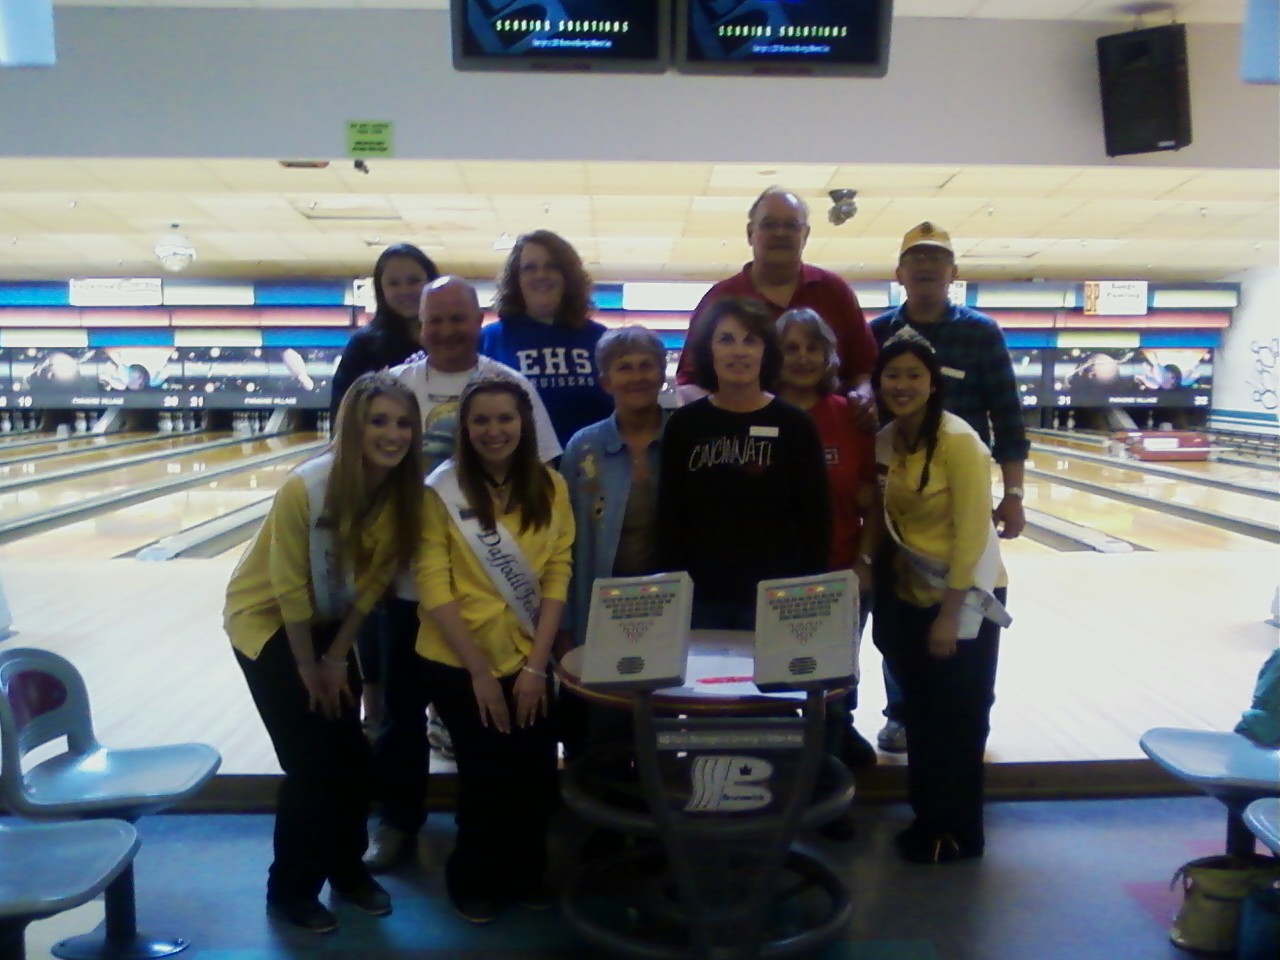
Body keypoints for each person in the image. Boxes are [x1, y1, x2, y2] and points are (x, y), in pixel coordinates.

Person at [364, 275, 560, 873]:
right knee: (399, 718)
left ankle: (506, 839)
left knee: (486, 732)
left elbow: (543, 475)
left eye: (458, 318)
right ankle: (398, 821)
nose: (447, 330)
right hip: (404, 589)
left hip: (490, 597)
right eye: (435, 320)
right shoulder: (397, 385)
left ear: (481, 322)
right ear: (419, 326)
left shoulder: (511, 385)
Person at [224, 372, 424, 933]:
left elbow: (369, 588)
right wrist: (310, 667)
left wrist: (336, 657)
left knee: (353, 758)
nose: (392, 433)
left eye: (403, 422)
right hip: (267, 623)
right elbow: (289, 586)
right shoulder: (306, 487)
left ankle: (347, 870)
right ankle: (289, 890)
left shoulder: (402, 497)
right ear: (353, 426)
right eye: (378, 421)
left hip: (330, 626)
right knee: (313, 764)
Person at [415, 377, 574, 924]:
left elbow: (559, 571)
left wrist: (536, 666)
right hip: (457, 660)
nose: (493, 430)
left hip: (529, 655)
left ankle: (526, 872)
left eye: (505, 418)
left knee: (532, 774)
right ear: (465, 428)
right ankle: (474, 879)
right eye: (480, 420)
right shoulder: (441, 491)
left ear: (524, 424)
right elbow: (433, 583)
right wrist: (480, 673)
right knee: (484, 777)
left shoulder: (552, 486)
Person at [869, 222, 1028, 755]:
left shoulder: (980, 332)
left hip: (956, 494)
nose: (927, 267)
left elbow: (1006, 412)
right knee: (903, 619)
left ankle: (962, 717)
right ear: (900, 273)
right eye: (916, 258)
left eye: (937, 259)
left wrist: (1014, 493)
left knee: (962, 607)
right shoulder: (878, 332)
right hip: (898, 503)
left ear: (953, 272)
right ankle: (903, 712)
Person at [864, 332, 1010, 864]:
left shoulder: (961, 442)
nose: (902, 385)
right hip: (907, 596)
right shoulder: (884, 441)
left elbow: (973, 536)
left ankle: (961, 832)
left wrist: (949, 618)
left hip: (964, 600)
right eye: (892, 375)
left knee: (961, 716)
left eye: (913, 376)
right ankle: (929, 822)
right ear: (879, 383)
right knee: (923, 716)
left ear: (931, 383)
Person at [658, 296, 830, 631]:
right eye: (726, 339)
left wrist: (809, 593)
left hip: (778, 597)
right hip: (700, 599)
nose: (739, 351)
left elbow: (816, 520)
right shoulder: (685, 425)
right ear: (709, 351)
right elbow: (669, 518)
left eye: (751, 340)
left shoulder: (795, 424)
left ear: (766, 351)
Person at [328, 243, 438, 736]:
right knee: (378, 603)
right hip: (379, 494)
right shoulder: (366, 346)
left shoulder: (447, 341)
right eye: (393, 282)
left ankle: (436, 713)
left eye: (414, 279)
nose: (404, 290)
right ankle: (377, 712)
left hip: (435, 496)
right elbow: (342, 419)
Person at [674, 187, 878, 424]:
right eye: (769, 224)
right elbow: (688, 382)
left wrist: (863, 395)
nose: (780, 233)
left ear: (806, 234)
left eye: (791, 225)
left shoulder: (835, 291)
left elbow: (862, 368)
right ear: (751, 232)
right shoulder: (720, 299)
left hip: (828, 437)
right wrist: (725, 423)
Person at [775, 307, 878, 771]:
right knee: (775, 694)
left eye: (812, 347)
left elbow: (872, 500)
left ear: (828, 356)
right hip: (772, 584)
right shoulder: (756, 412)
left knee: (833, 697)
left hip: (839, 576)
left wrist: (864, 564)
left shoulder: (849, 417)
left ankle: (827, 796)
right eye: (791, 348)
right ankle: (777, 789)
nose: (802, 357)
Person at [560, 325, 670, 757]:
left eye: (647, 365)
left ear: (663, 375)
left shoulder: (684, 438)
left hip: (669, 606)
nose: (637, 376)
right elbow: (562, 544)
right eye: (624, 368)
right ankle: (605, 813)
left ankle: (651, 813)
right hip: (598, 609)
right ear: (606, 381)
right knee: (603, 719)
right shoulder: (583, 447)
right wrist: (565, 622)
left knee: (660, 716)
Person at [479, 229, 613, 448]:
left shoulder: (600, 339)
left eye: (552, 266)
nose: (541, 275)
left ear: (567, 277)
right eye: (529, 268)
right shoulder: (490, 340)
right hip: (519, 472)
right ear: (516, 279)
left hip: (590, 469)